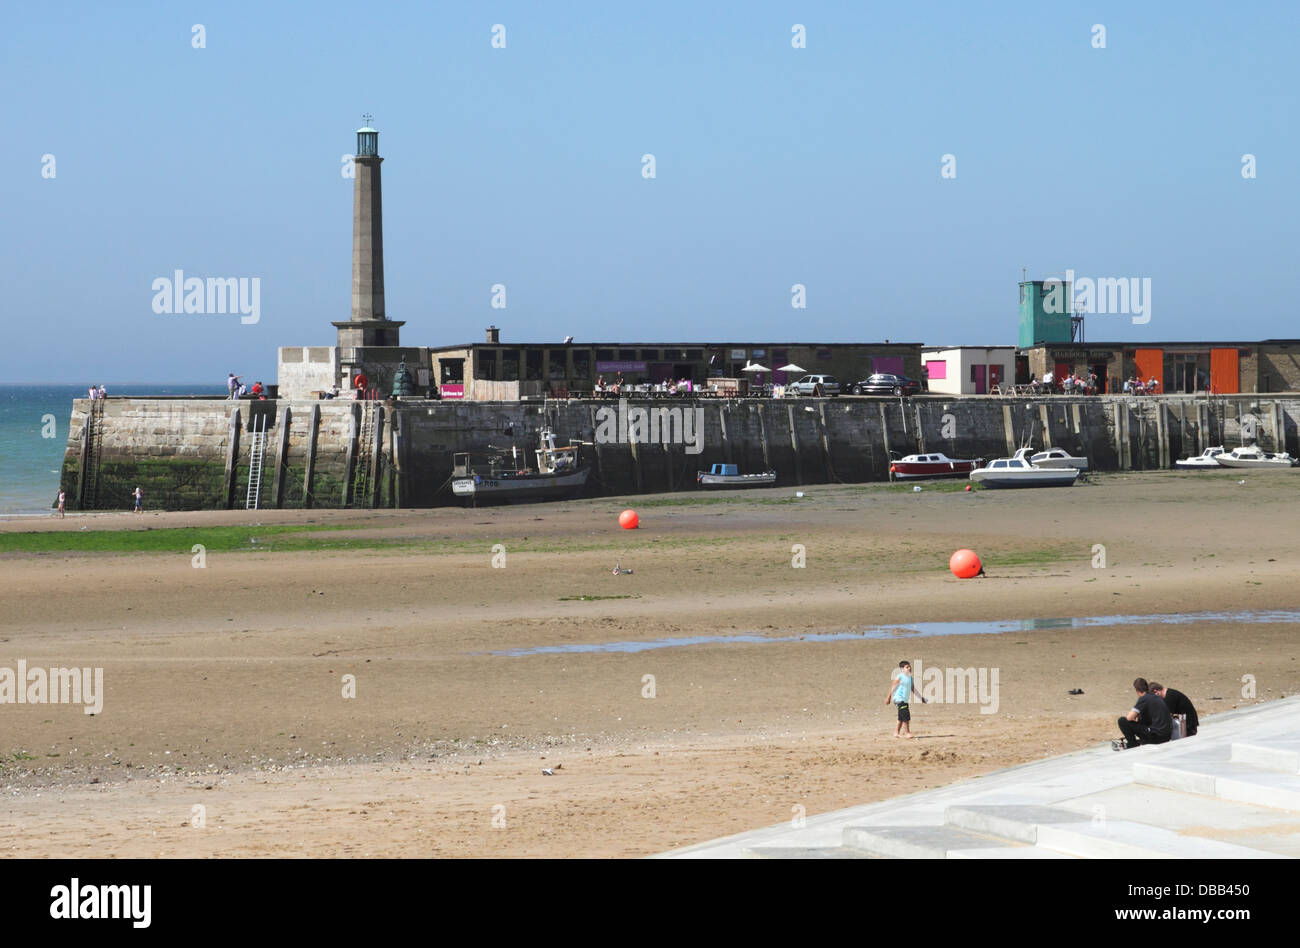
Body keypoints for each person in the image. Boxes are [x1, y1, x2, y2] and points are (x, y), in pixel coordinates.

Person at [1115, 677, 1171, 750]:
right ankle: (1142, 741)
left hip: (1156, 737)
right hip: (1166, 736)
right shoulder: (1156, 697)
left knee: (1122, 721)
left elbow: (1129, 717)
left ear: (1137, 690)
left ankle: (1133, 744)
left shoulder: (1144, 698)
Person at [885, 660, 926, 739]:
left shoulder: (910, 678)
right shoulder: (900, 677)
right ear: (902, 669)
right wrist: (888, 697)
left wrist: (921, 698)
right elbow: (893, 687)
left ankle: (896, 733)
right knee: (906, 716)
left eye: (909, 666)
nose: (909, 668)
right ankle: (907, 733)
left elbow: (913, 689)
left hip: (904, 700)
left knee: (901, 717)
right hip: (899, 699)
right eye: (907, 667)